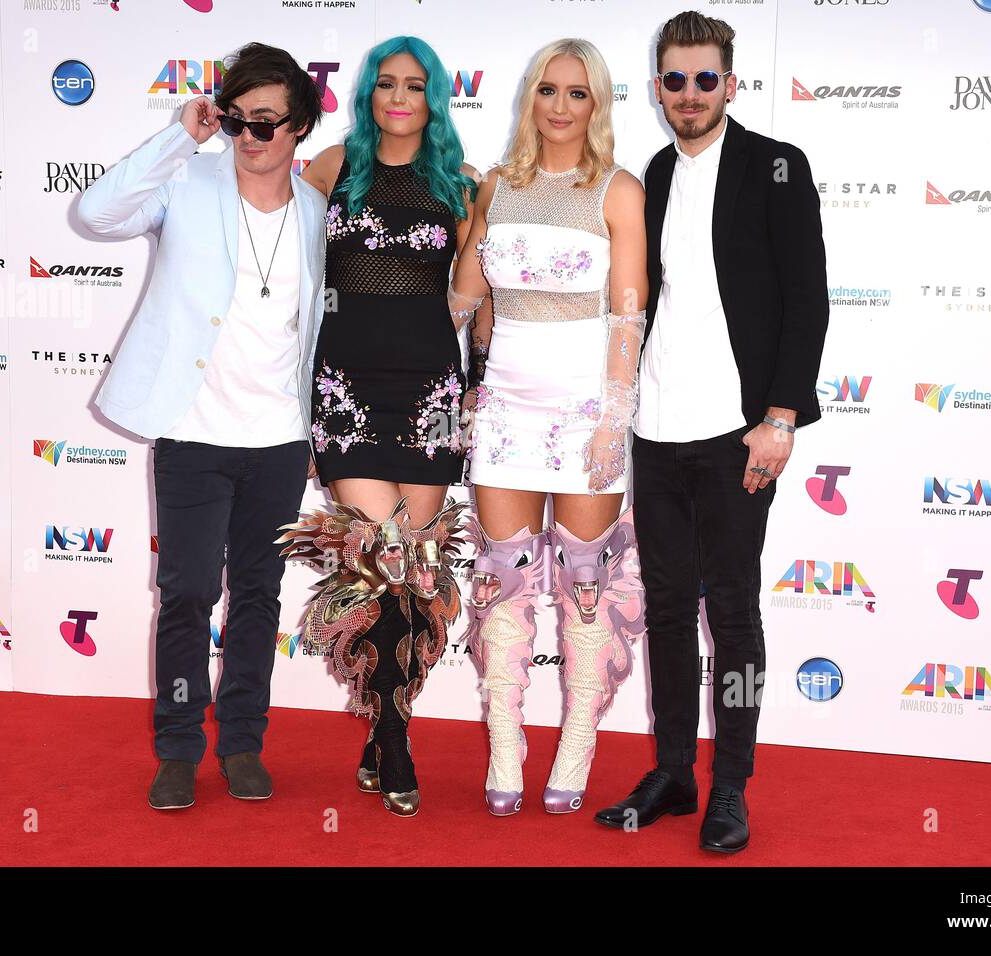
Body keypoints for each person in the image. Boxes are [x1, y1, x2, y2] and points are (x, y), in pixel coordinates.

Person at [593, 12, 828, 853]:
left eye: (704, 78)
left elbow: (807, 301)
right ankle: (672, 773)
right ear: (656, 87)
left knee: (731, 612)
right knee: (663, 608)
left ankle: (730, 784)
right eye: (672, 79)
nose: (687, 94)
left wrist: (780, 416)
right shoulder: (648, 175)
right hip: (655, 432)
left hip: (738, 435)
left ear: (730, 83)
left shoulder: (776, 167)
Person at [77, 43, 327, 811]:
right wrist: (179, 135)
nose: (249, 136)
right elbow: (95, 212)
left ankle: (244, 741)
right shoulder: (187, 179)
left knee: (257, 594)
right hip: (192, 432)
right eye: (238, 120)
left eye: (266, 123)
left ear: (299, 128)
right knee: (186, 594)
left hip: (279, 438)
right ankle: (180, 747)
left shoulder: (318, 211)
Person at [280, 36, 478, 818]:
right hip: (348, 388)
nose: (399, 97)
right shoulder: (331, 169)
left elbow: (480, 296)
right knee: (379, 563)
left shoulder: (461, 185)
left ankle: (382, 721)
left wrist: (480, 389)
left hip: (430, 390)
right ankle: (396, 741)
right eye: (387, 84)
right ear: (367, 94)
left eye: (415, 86)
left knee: (417, 576)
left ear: (434, 99)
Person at [449, 38, 649, 816]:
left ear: (597, 105)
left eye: (578, 94)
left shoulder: (617, 191)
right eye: (548, 92)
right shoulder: (498, 183)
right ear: (529, 99)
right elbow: (467, 295)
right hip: (505, 402)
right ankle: (505, 740)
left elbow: (627, 314)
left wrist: (614, 417)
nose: (560, 107)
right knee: (502, 580)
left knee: (587, 586)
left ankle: (578, 738)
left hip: (584, 405)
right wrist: (475, 217)